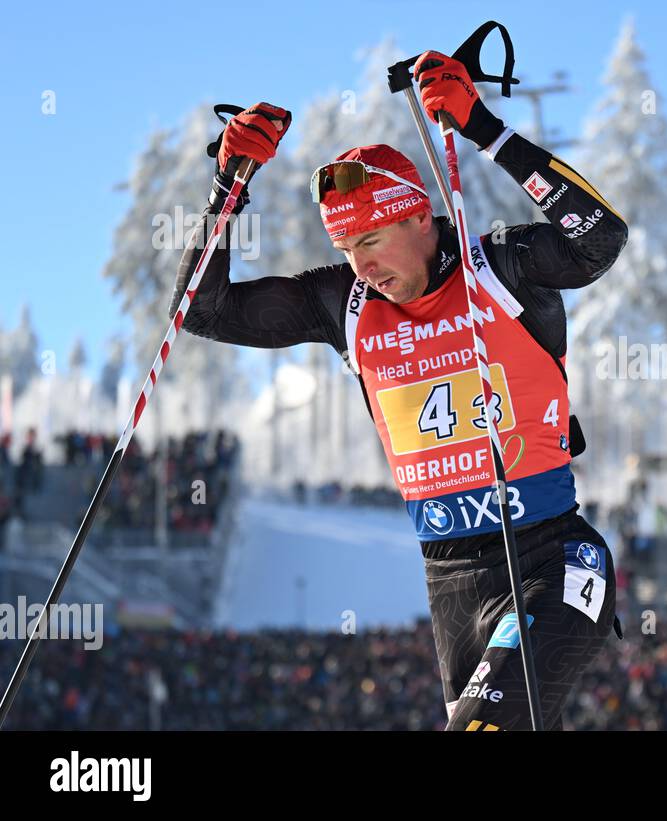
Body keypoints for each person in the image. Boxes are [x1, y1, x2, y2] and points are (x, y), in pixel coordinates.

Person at [170, 49, 628, 730]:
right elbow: (200, 310)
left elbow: (598, 239)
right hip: (451, 585)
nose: (363, 263)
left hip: (551, 559)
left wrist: (485, 129)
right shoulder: (344, 303)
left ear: (419, 218)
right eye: (348, 245)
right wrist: (228, 189)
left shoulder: (499, 263)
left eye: (374, 237)